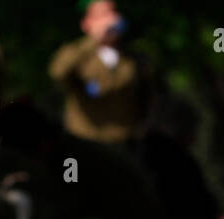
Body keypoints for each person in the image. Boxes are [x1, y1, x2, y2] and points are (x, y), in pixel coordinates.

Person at [48, 0, 150, 145]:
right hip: (86, 143)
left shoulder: (134, 59)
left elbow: (146, 98)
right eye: (102, 16)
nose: (110, 20)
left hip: (126, 144)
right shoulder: (78, 56)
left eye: (113, 13)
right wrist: (93, 40)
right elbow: (58, 71)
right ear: (86, 24)